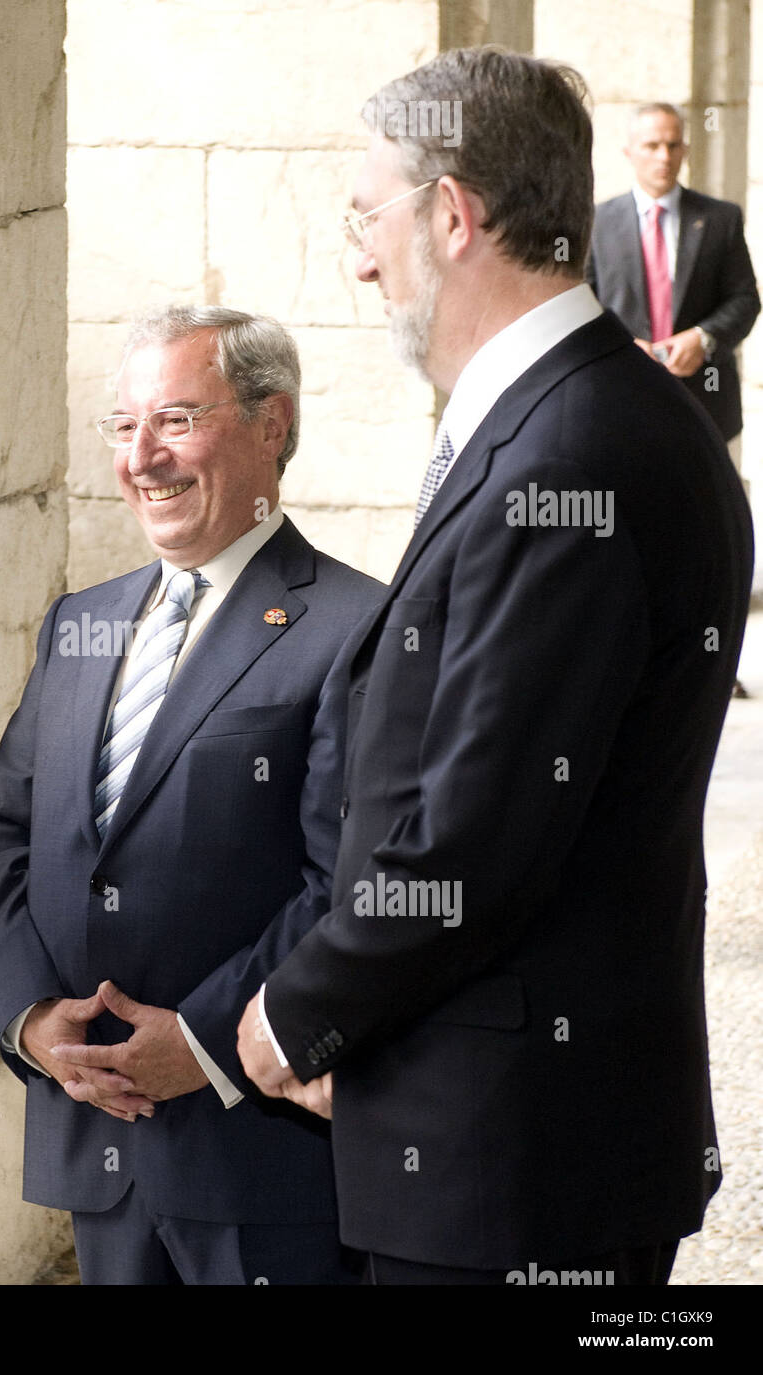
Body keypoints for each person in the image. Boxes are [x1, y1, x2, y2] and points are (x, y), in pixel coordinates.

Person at [238, 48, 752, 1285]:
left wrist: (290, 1014)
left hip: (514, 1165)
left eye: (367, 219)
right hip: (525, 1137)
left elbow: (477, 834)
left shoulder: (564, 455)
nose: (358, 258)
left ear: (454, 215)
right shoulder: (590, 415)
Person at [0, 305, 382, 1284]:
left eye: (177, 421)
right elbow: (3, 837)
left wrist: (201, 1044)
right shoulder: (80, 621)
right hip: (94, 1151)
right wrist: (29, 1020)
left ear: (270, 425)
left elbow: (347, 885)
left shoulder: (358, 628)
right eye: (124, 427)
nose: (141, 459)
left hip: (261, 1160)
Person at [586, 102, 759, 449]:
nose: (664, 156)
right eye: (652, 146)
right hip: (621, 395)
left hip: (704, 401)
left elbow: (744, 299)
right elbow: (581, 303)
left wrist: (703, 338)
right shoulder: (596, 222)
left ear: (685, 149)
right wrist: (619, 345)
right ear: (629, 152)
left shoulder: (720, 218)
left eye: (673, 144)